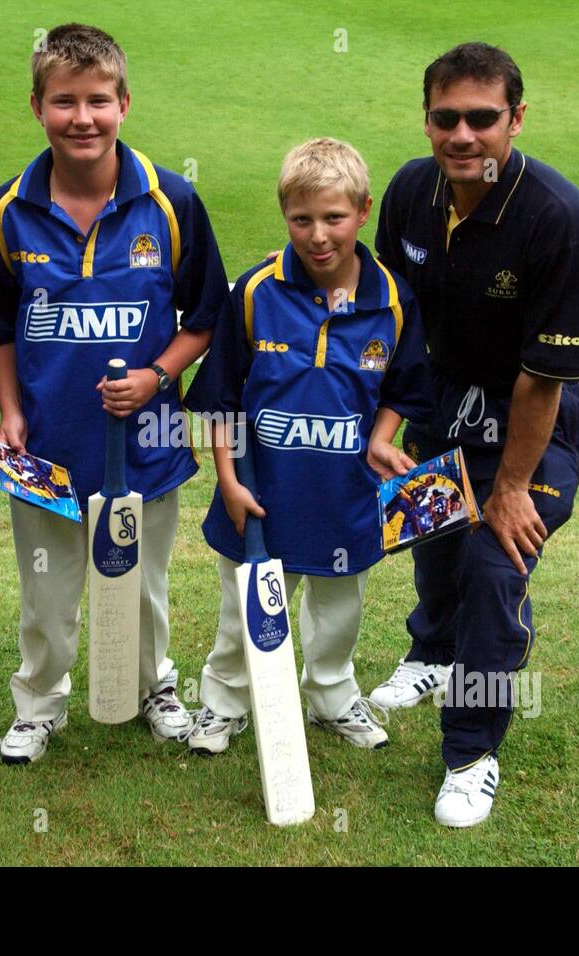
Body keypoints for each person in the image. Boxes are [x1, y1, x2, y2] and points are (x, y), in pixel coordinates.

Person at [0, 23, 230, 763]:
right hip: (46, 446)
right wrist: (13, 410)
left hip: (144, 445)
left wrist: (155, 377)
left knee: (143, 585)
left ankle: (153, 688)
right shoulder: (7, 211)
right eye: (63, 102)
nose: (81, 118)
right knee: (46, 591)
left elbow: (206, 316)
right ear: (36, 106)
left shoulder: (170, 201)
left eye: (97, 101)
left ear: (124, 103)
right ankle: (39, 704)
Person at [369, 42, 579, 826]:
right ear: (427, 118)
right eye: (446, 118)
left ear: (516, 118)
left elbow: (544, 378)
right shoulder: (408, 191)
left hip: (530, 415)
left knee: (492, 567)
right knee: (431, 542)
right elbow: (395, 319)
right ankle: (431, 653)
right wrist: (390, 419)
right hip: (440, 397)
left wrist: (505, 490)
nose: (462, 135)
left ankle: (471, 753)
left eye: (482, 118)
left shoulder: (558, 222)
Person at [181, 138, 434, 754]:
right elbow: (220, 398)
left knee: (339, 610)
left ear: (364, 211)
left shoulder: (394, 301)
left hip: (346, 494)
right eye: (301, 219)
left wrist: (381, 437)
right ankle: (222, 702)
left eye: (333, 218)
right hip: (260, 492)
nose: (318, 235)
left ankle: (331, 695)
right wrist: (229, 480)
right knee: (246, 608)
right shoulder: (254, 292)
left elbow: (405, 385)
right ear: (285, 216)